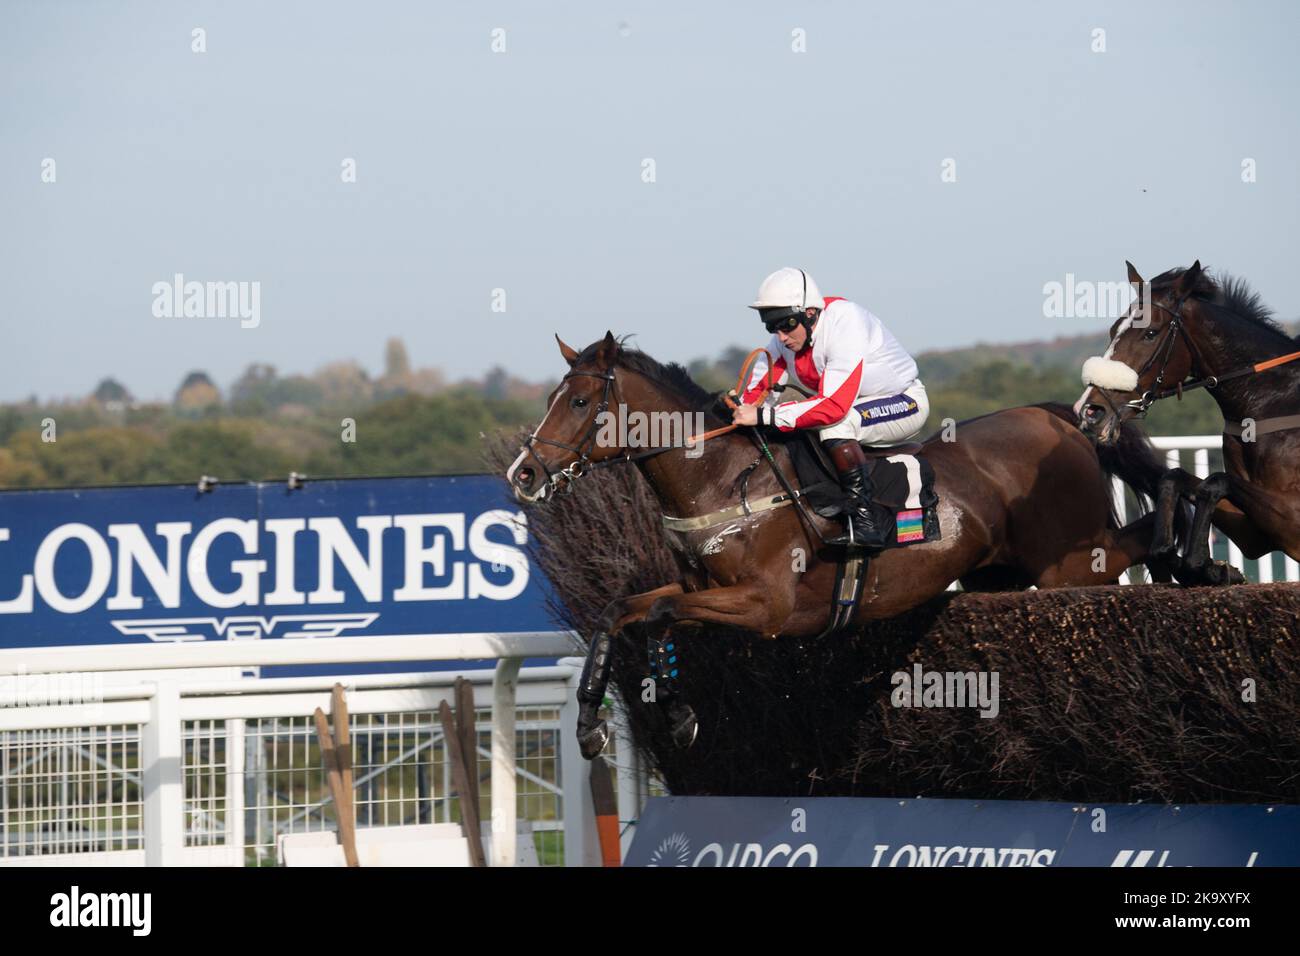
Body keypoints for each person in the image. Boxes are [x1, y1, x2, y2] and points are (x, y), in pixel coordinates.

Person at [732, 267, 929, 549]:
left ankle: (866, 520)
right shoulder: (785, 337)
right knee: (793, 424)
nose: (782, 336)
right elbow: (758, 389)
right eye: (772, 326)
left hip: (904, 402)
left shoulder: (847, 322)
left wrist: (765, 415)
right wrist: (740, 410)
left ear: (809, 314)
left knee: (835, 424)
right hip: (857, 406)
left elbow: (834, 406)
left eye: (786, 325)